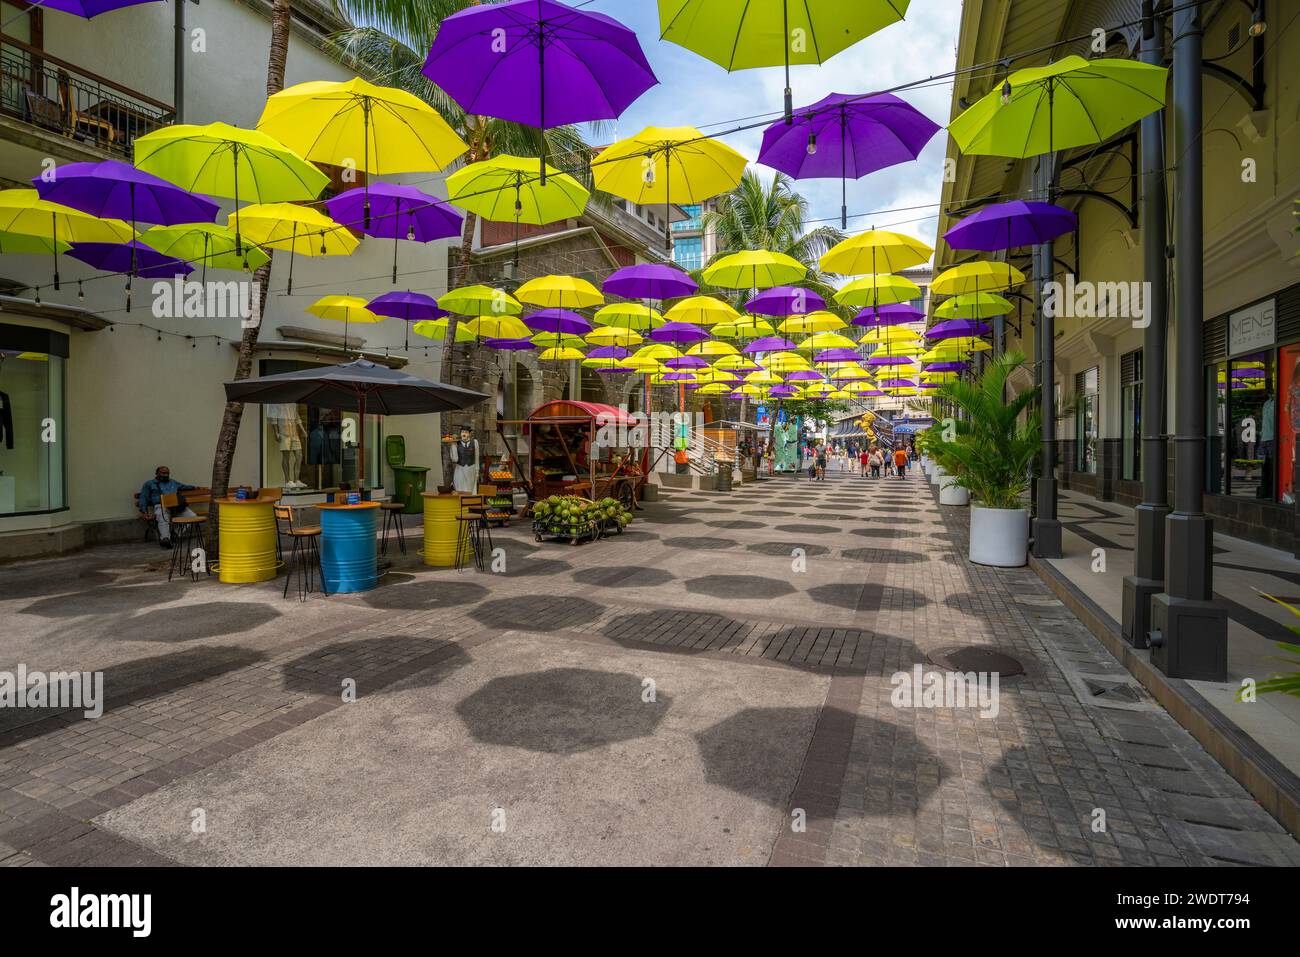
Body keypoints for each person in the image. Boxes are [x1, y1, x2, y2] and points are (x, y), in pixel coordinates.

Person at [138, 466, 197, 548]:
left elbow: (183, 486)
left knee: (192, 517)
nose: (165, 475)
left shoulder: (173, 482)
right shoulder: (149, 484)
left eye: (167, 473)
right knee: (162, 516)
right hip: (161, 505)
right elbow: (143, 497)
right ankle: (165, 539)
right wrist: (143, 511)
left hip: (176, 506)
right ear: (157, 473)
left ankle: (175, 534)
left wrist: (195, 487)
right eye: (163, 473)